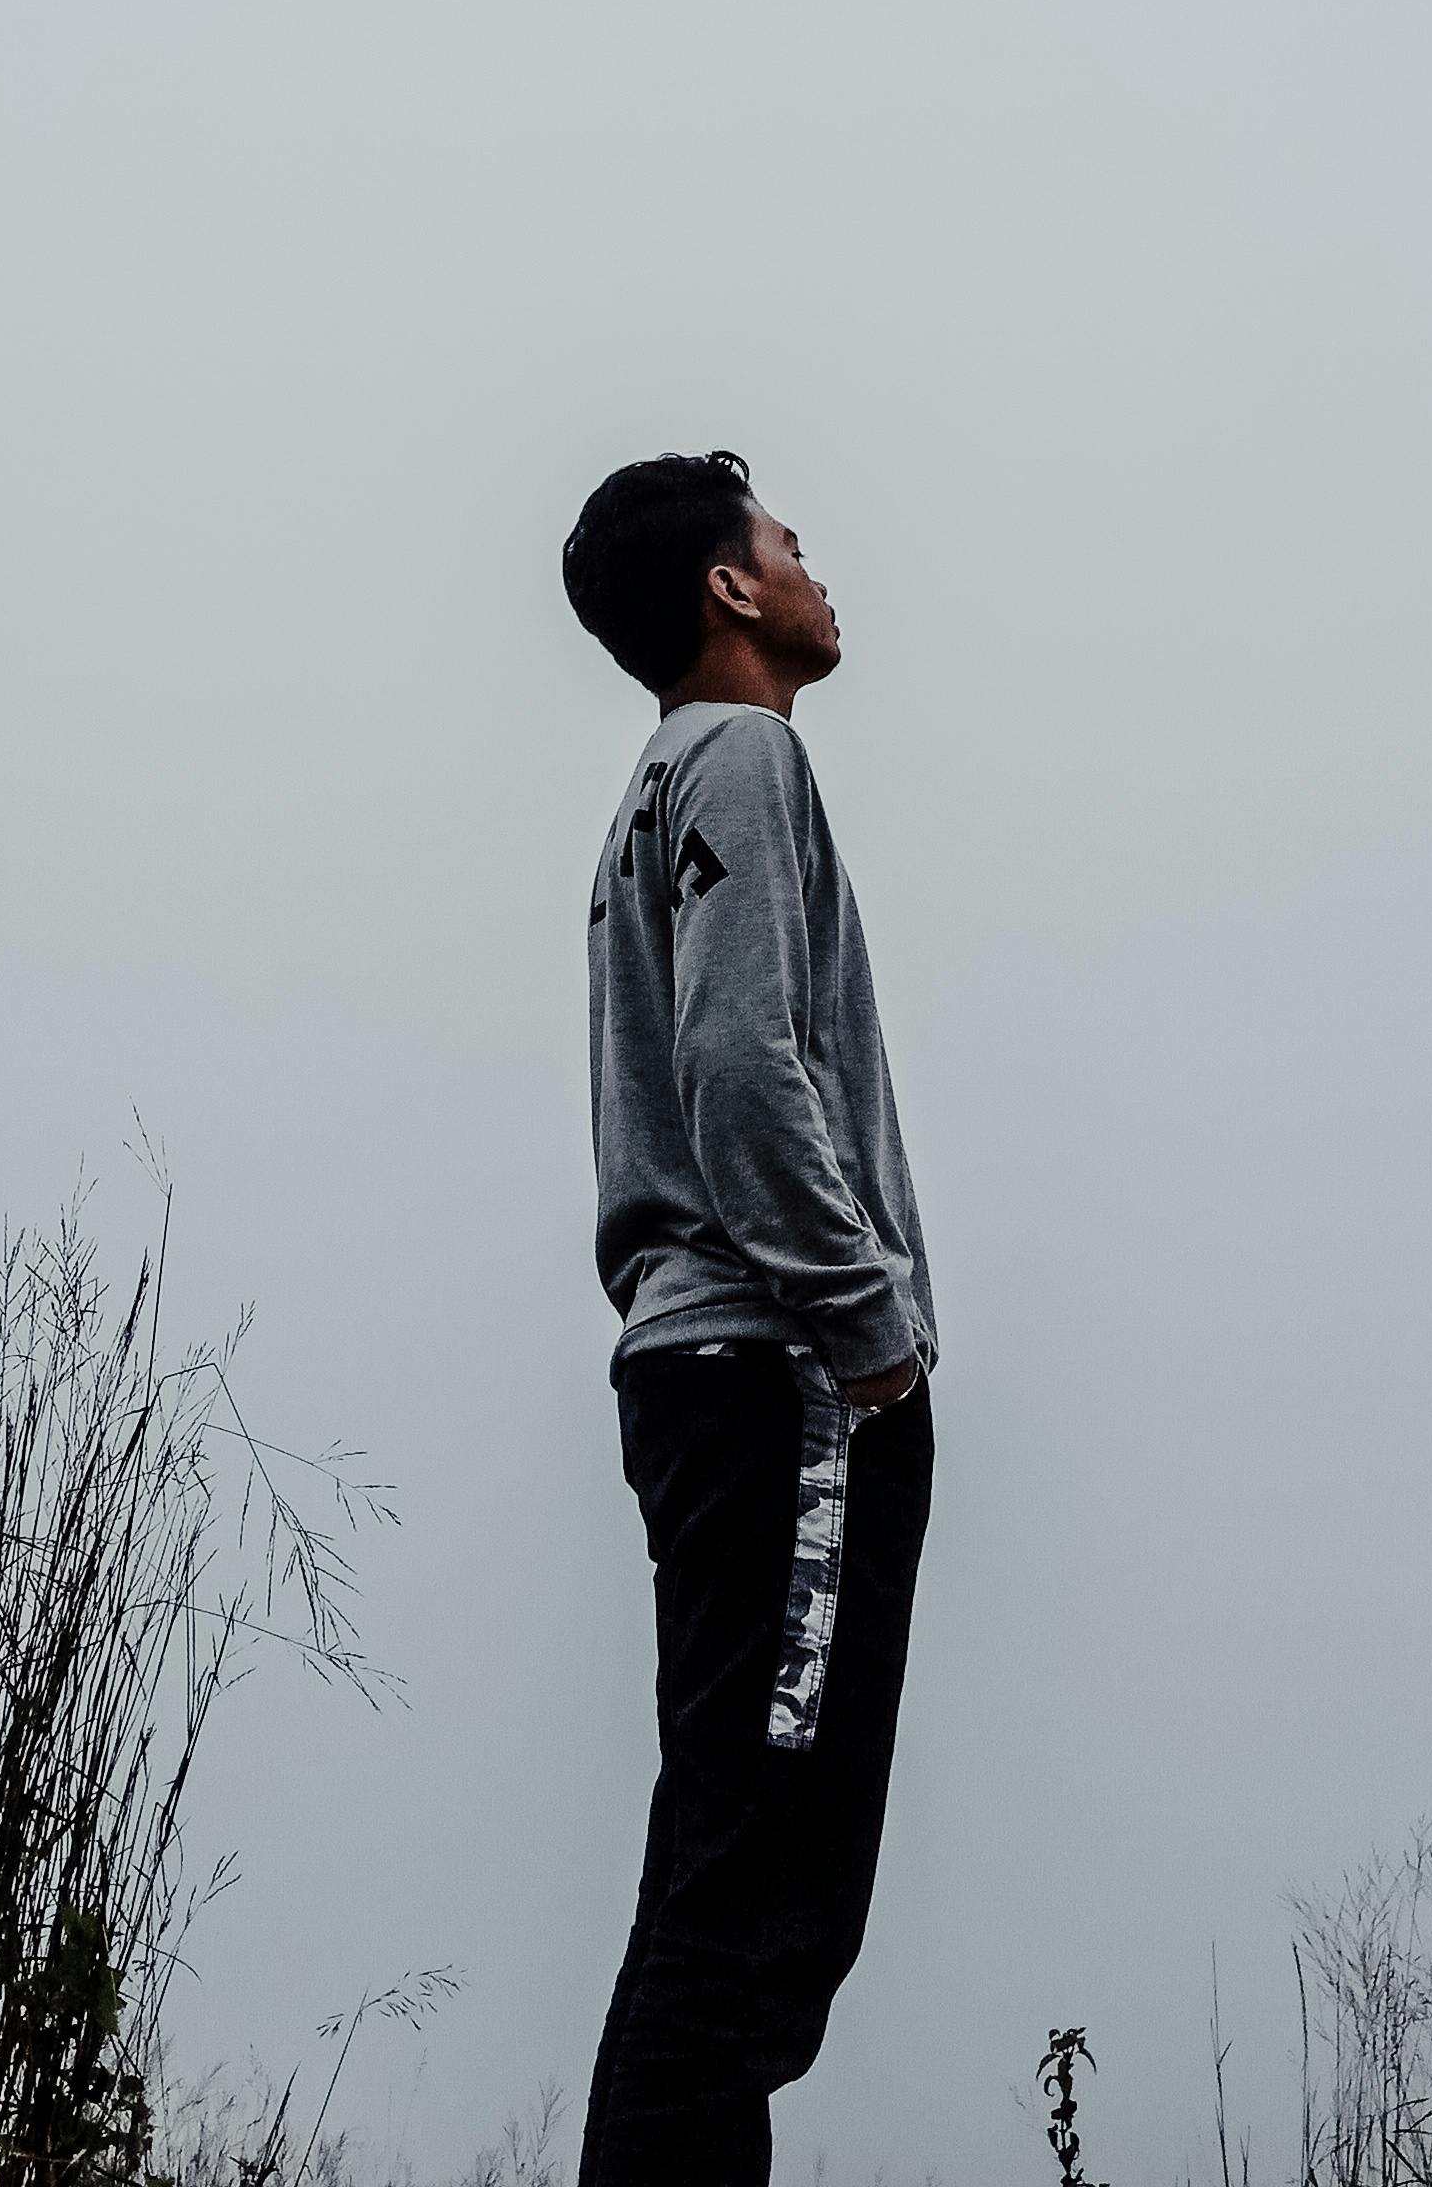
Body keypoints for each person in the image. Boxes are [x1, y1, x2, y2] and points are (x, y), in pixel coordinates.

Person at [563, 447, 936, 2187]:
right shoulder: (741, 757)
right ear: (730, 589)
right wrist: (869, 1336)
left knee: (723, 1873)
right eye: (788, 543)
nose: (812, 566)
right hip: (776, 1369)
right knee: (751, 1907)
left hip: (699, 1368)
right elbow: (734, 1066)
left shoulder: (655, 791)